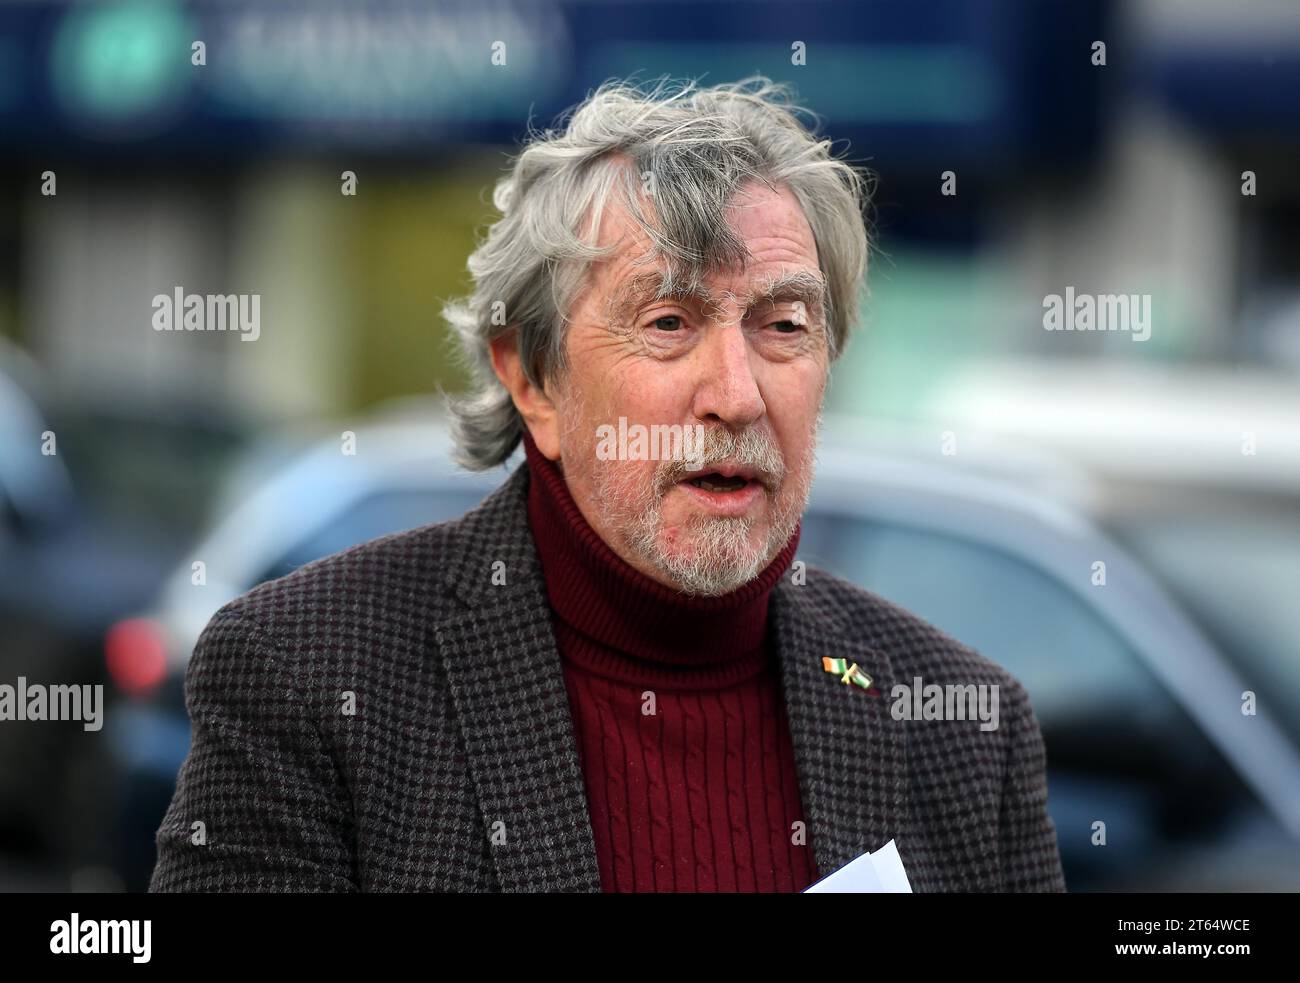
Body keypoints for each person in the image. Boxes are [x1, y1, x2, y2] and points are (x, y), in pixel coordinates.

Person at [150, 76, 1066, 893]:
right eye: (668, 321)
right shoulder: (308, 677)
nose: (738, 394)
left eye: (784, 325)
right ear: (532, 377)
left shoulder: (964, 729)